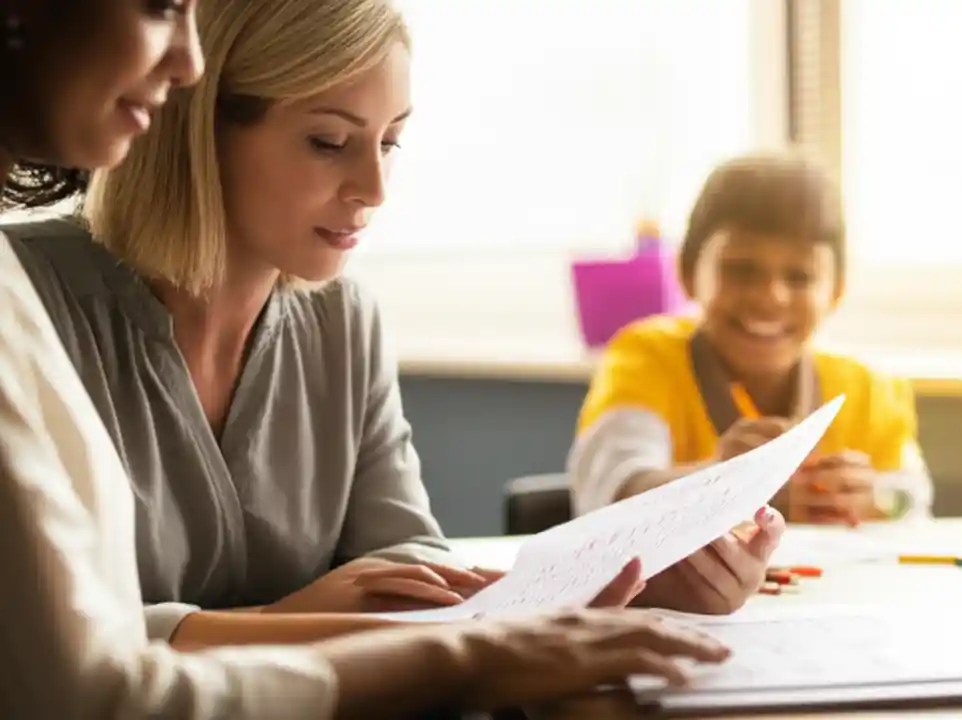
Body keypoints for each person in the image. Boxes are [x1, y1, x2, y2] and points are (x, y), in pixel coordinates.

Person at [0, 1, 727, 717]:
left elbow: (409, 560)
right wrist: (287, 618)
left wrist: (645, 581)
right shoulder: (26, 297)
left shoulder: (343, 319)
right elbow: (66, 662)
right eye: (328, 141)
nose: (373, 191)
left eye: (389, 143)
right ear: (197, 127)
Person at [570, 153, 933, 531]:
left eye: (800, 277)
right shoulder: (645, 359)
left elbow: (911, 499)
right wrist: (721, 481)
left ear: (836, 291)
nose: (770, 296)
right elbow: (609, 494)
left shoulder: (867, 391)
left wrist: (874, 500)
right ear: (689, 273)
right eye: (741, 270)